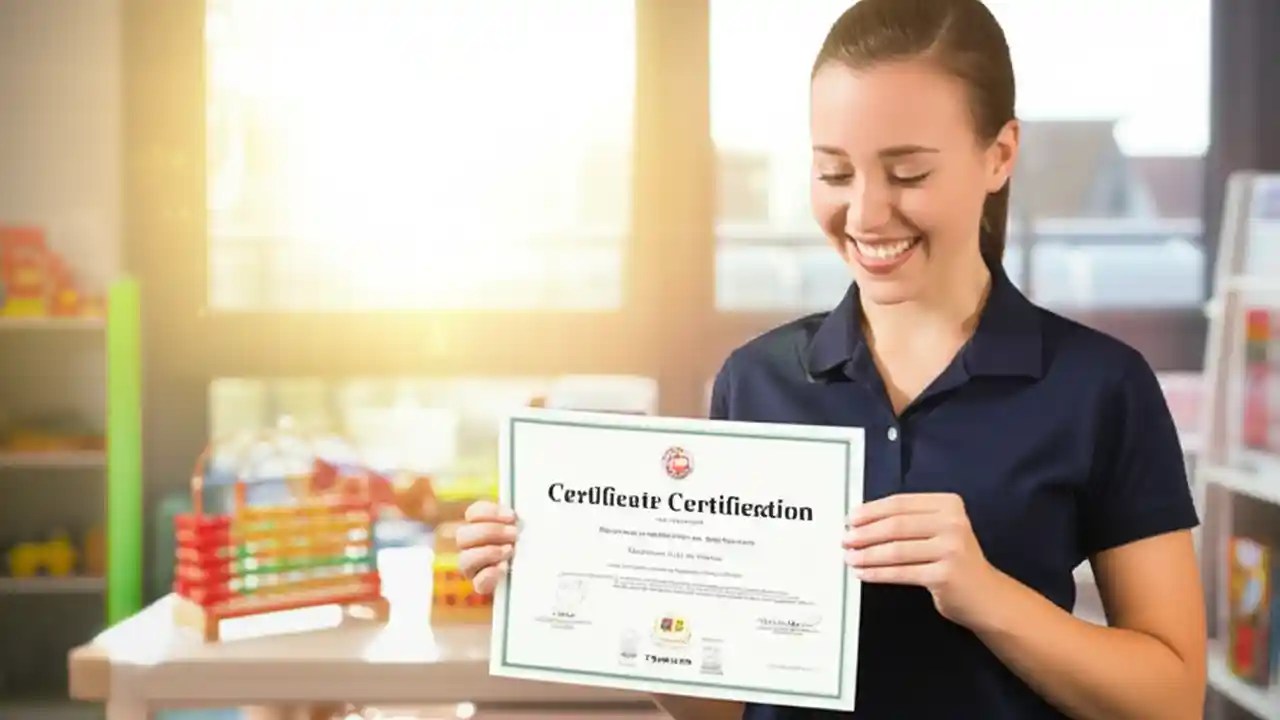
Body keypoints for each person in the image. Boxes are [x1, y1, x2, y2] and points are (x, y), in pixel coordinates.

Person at [456, 0, 1207, 717]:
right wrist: (573, 590)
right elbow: (728, 707)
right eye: (836, 172)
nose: (866, 213)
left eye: (908, 173)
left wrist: (985, 594)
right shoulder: (756, 382)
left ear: (1000, 155)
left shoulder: (1102, 387)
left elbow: (1173, 700)